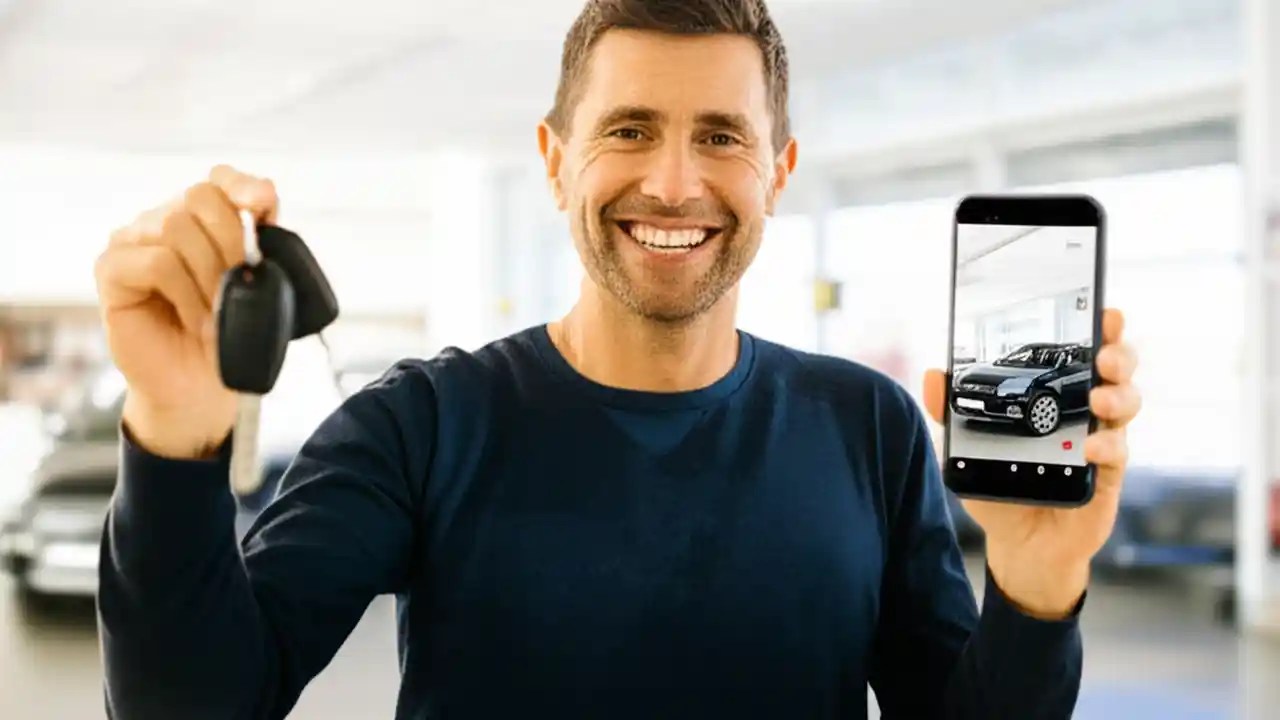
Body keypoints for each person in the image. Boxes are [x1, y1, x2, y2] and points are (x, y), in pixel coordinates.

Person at [92, 1, 1141, 718]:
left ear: (776, 171)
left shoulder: (865, 426)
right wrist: (173, 441)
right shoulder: (421, 424)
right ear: (556, 162)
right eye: (629, 130)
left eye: (721, 138)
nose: (675, 183)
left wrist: (1034, 589)